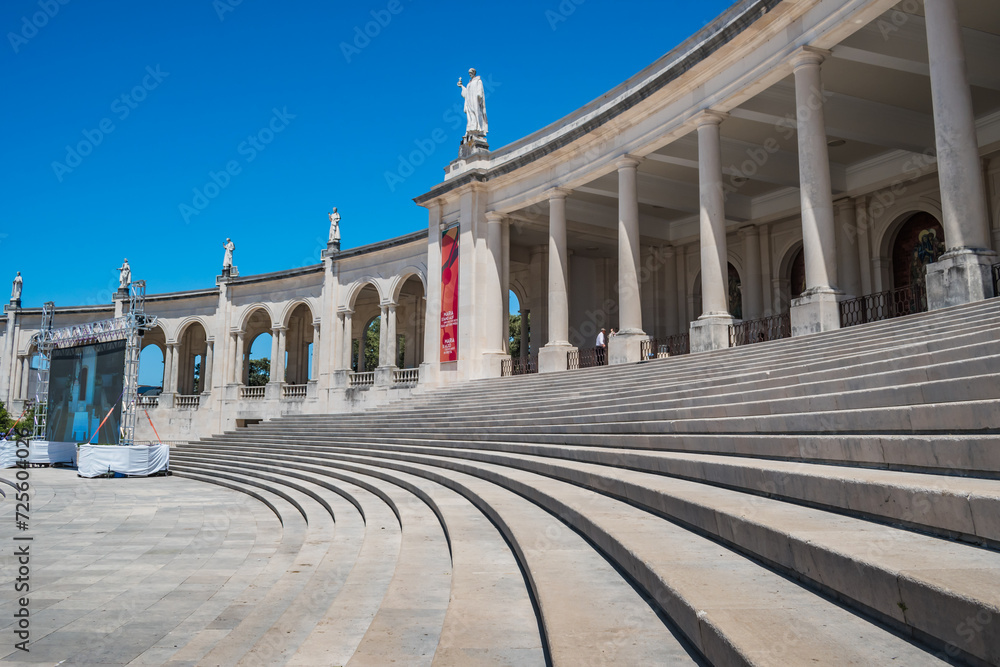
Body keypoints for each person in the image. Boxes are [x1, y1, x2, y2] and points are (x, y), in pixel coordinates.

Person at [457, 68, 488, 142]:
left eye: (471, 72)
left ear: (474, 73)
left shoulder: (478, 81)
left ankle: (476, 129)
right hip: (469, 101)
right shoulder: (469, 83)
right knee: (470, 115)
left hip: (475, 101)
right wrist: (461, 86)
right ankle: (470, 130)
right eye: (469, 73)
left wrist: (479, 96)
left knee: (476, 113)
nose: (470, 74)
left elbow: (480, 91)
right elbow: (467, 93)